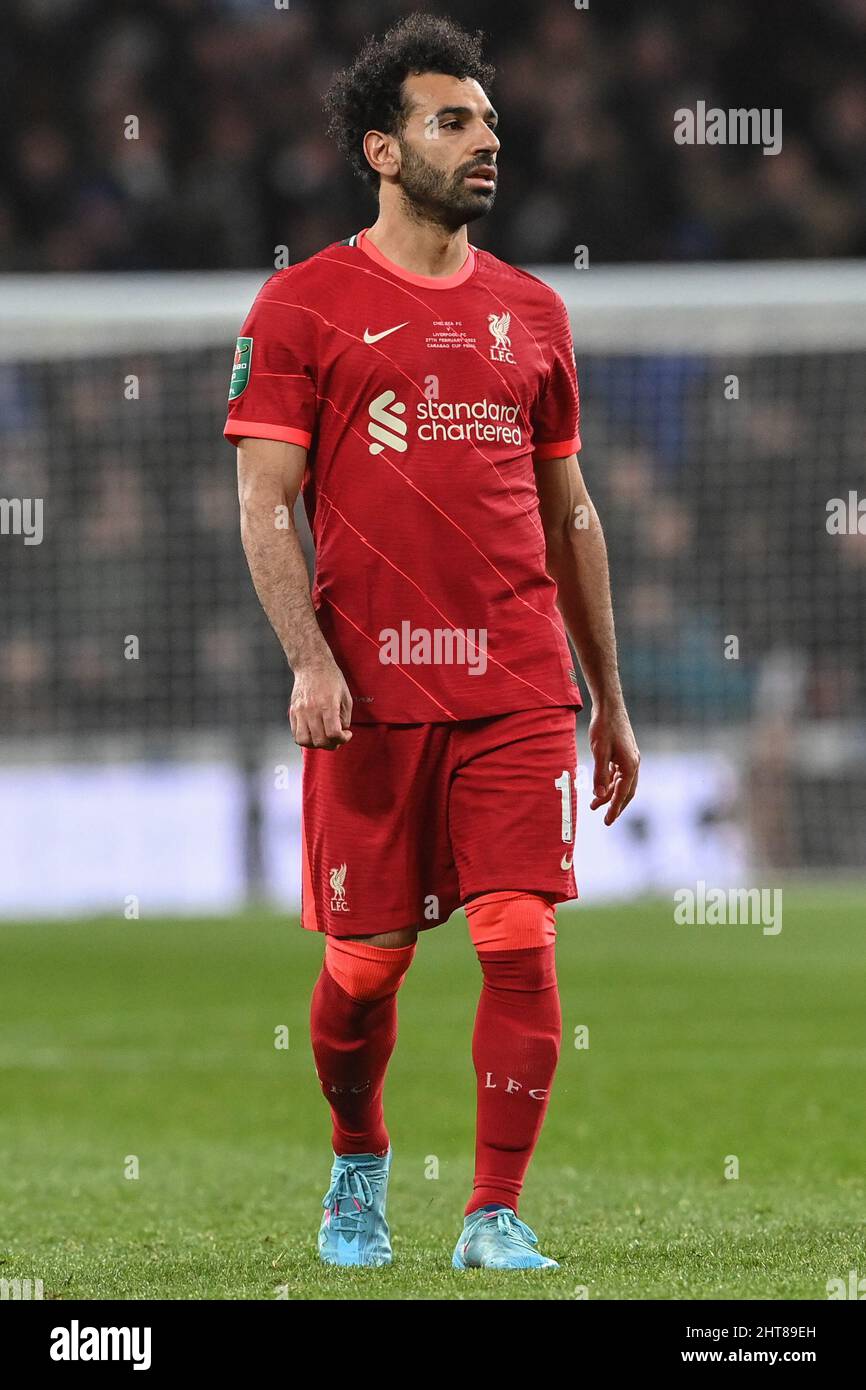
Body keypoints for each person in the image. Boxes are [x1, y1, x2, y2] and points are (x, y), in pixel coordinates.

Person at [226, 14, 639, 1272]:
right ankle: (358, 1165)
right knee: (363, 973)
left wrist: (605, 700)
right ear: (382, 148)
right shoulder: (304, 306)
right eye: (451, 122)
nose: (483, 143)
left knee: (520, 936)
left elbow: (570, 513)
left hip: (518, 681)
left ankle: (491, 1213)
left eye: (490, 124)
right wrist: (308, 659)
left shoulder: (531, 311)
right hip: (372, 689)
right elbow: (263, 500)